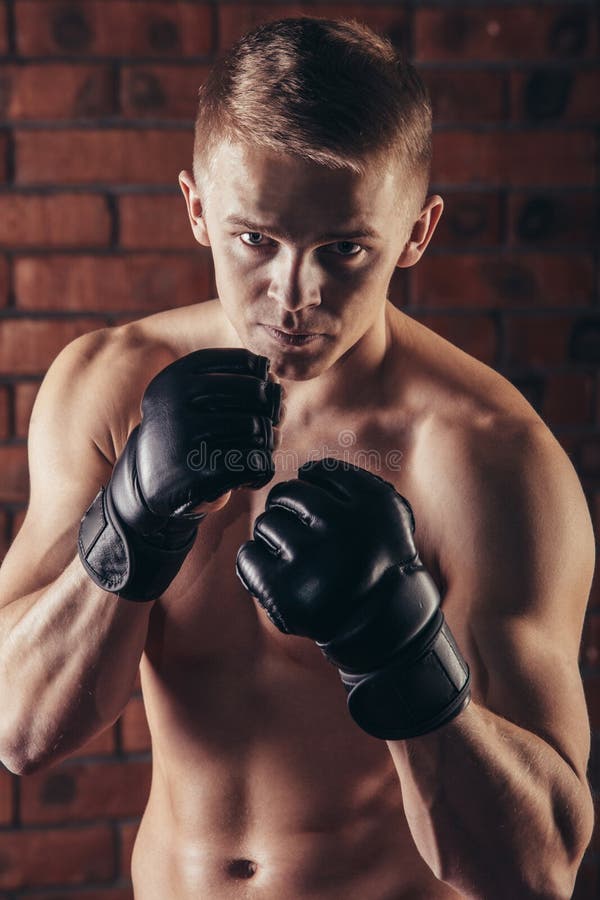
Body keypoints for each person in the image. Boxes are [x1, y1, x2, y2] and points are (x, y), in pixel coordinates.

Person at [0, 16, 594, 899]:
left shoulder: (485, 457)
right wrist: (126, 526)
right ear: (197, 208)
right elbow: (21, 730)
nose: (293, 295)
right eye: (256, 240)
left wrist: (402, 658)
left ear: (418, 233)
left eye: (345, 249)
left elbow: (538, 868)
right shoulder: (109, 388)